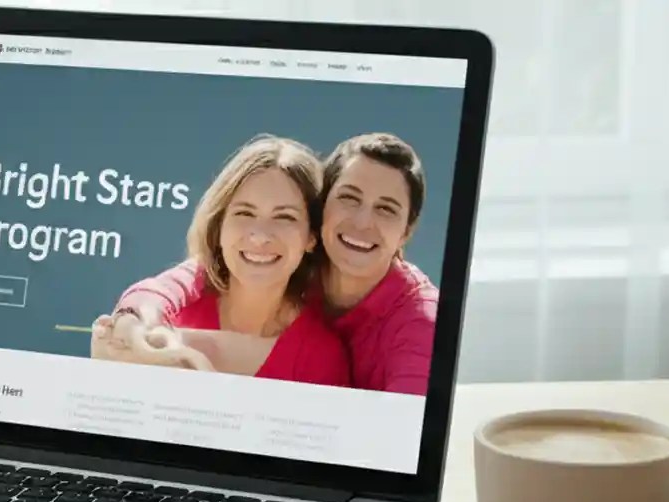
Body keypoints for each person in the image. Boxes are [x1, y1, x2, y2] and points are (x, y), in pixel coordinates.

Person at [101, 132, 437, 395]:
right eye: (349, 198)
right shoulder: (287, 264)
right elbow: (177, 281)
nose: (361, 223)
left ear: (407, 231)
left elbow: (405, 436)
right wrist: (135, 317)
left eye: (386, 209)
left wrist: (191, 368)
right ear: (323, 217)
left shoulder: (419, 323)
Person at [91, 135, 350, 387]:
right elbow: (152, 295)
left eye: (284, 217)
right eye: (245, 213)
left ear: (311, 238)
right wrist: (133, 324)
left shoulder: (321, 358)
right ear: (220, 227)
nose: (259, 236)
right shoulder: (189, 291)